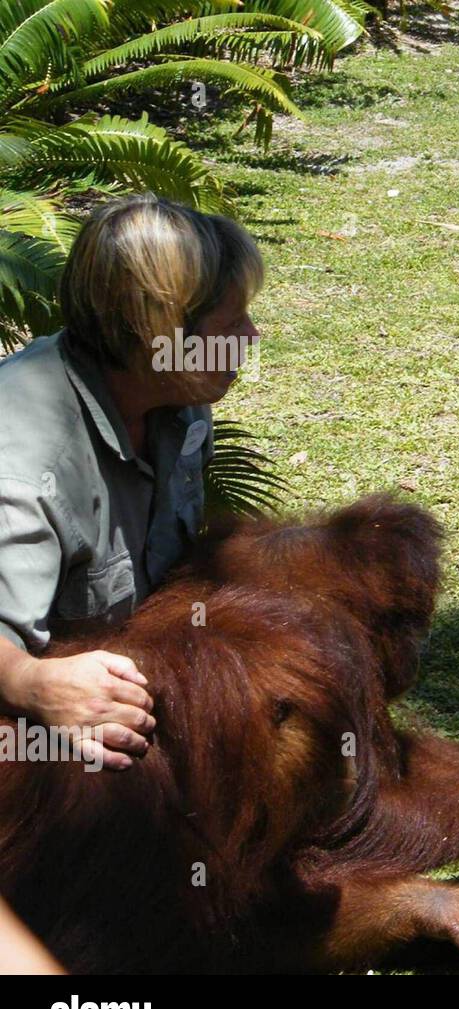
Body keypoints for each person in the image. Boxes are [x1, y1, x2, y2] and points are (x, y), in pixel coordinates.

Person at [0, 195, 262, 772]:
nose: (252, 336)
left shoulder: (178, 401)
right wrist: (31, 682)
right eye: (231, 322)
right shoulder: (23, 462)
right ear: (158, 332)